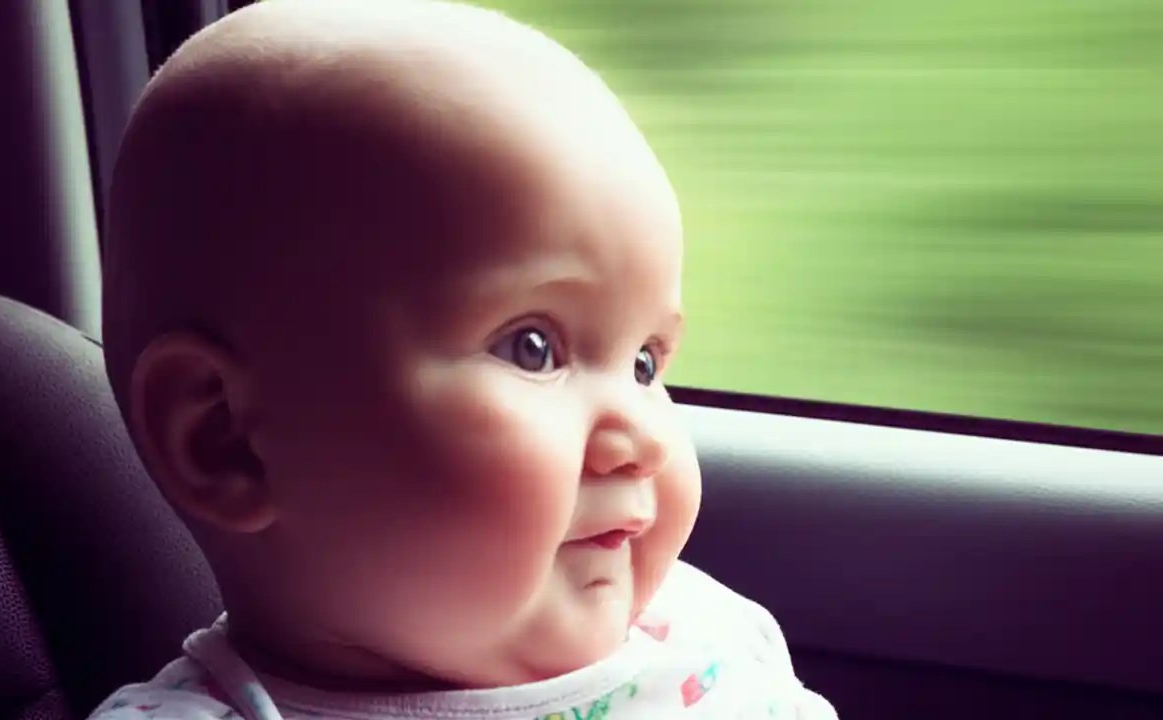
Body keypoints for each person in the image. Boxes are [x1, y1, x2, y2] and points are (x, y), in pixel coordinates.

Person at [92, 0, 836, 717]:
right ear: (228, 440)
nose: (642, 439)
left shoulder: (704, 633)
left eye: (645, 364)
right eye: (533, 348)